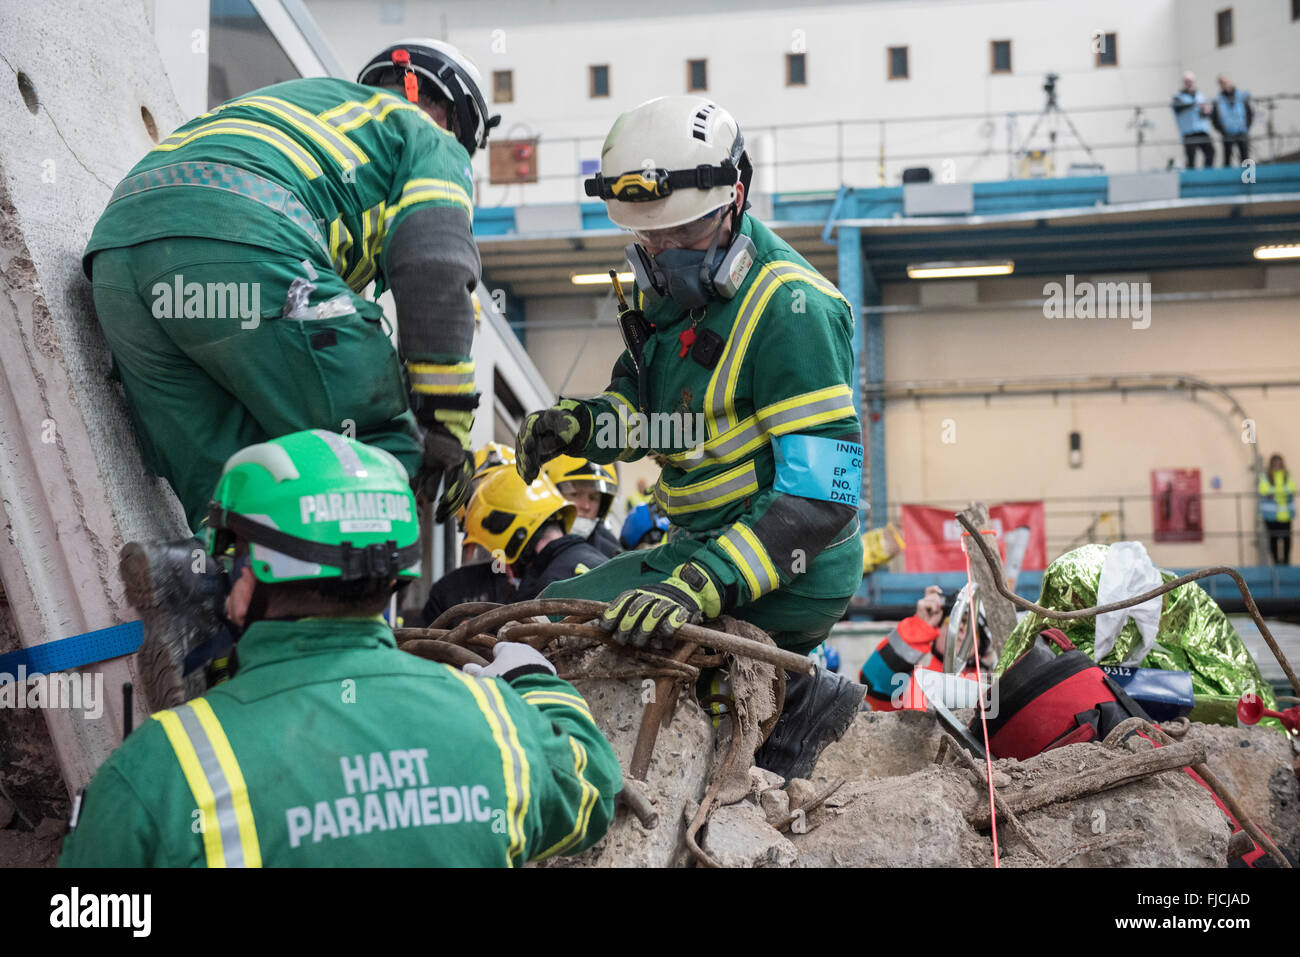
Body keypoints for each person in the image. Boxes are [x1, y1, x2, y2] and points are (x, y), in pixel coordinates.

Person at [59, 431, 619, 866]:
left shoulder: (159, 770)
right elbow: (593, 785)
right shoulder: (500, 729)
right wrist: (535, 680)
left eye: (232, 551)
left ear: (252, 578)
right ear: (396, 572)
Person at [516, 95, 866, 780]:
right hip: (696, 549)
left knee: (608, 646)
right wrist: (580, 426)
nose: (665, 259)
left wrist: (702, 584)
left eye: (683, 238)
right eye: (652, 242)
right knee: (541, 630)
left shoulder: (792, 310)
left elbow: (825, 498)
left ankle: (796, 703)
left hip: (789, 566)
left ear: (735, 197)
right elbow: (645, 409)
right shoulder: (670, 293)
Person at [86, 38, 500, 534]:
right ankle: (339, 605)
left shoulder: (308, 114)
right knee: (375, 446)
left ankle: (189, 583)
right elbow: (437, 267)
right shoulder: (427, 137)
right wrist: (441, 428)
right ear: (453, 117)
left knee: (233, 491)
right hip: (244, 234)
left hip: (119, 258)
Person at [420, 466, 609, 625]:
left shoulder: (549, 587)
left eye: (498, 550)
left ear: (517, 536)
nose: (497, 559)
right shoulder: (598, 560)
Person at [860, 585, 992, 711]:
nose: (962, 628)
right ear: (937, 628)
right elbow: (873, 683)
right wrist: (920, 626)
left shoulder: (989, 690)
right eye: (953, 621)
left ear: (983, 645)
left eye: (973, 628)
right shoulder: (915, 682)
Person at [544, 455, 623, 557]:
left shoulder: (612, 554)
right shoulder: (527, 549)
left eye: (593, 498)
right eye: (575, 494)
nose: (586, 506)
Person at [1171, 71, 1215, 169]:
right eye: (1187, 81)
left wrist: (1206, 111)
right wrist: (1195, 104)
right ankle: (1192, 179)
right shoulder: (1178, 97)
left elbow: (1205, 113)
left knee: (1210, 152)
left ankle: (1206, 174)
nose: (1189, 83)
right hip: (1188, 132)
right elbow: (1179, 108)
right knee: (1191, 157)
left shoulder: (1200, 96)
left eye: (1191, 81)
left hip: (1202, 130)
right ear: (1183, 82)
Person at [1259, 453, 1295, 566]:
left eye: (1280, 462)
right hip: (1271, 515)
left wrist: (1274, 492)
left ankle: (1286, 561)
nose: (1278, 464)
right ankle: (1276, 562)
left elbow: (1292, 488)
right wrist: (1281, 492)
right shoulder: (1265, 476)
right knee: (1273, 539)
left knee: (1286, 539)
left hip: (1285, 515)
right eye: (1276, 462)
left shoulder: (1286, 475)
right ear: (1272, 463)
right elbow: (1264, 490)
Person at [1212, 74, 1254, 167]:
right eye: (1222, 83)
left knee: (1245, 158)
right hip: (1227, 134)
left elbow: (1250, 113)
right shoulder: (1217, 100)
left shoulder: (1241, 96)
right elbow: (1214, 119)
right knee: (1227, 159)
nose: (1225, 85)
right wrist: (1222, 131)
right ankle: (1227, 180)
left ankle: (1248, 179)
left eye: (1226, 82)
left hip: (1241, 132)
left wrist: (1246, 127)